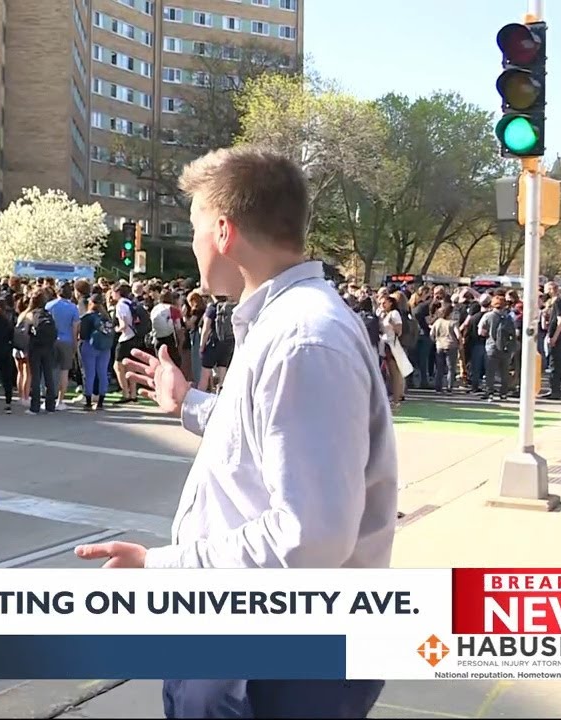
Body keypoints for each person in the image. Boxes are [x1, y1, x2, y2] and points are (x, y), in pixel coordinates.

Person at [75, 146, 396, 719]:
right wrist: (189, 404)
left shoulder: (303, 339)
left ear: (223, 231)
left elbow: (311, 536)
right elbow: (262, 436)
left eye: (196, 227)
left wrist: (160, 565)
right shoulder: (283, 322)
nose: (194, 243)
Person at [78, 293, 115, 410]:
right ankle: (101, 402)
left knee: (89, 374)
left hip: (90, 345)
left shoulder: (86, 317)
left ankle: (88, 401)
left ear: (90, 303)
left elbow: (83, 335)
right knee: (103, 373)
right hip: (105, 347)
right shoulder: (106, 316)